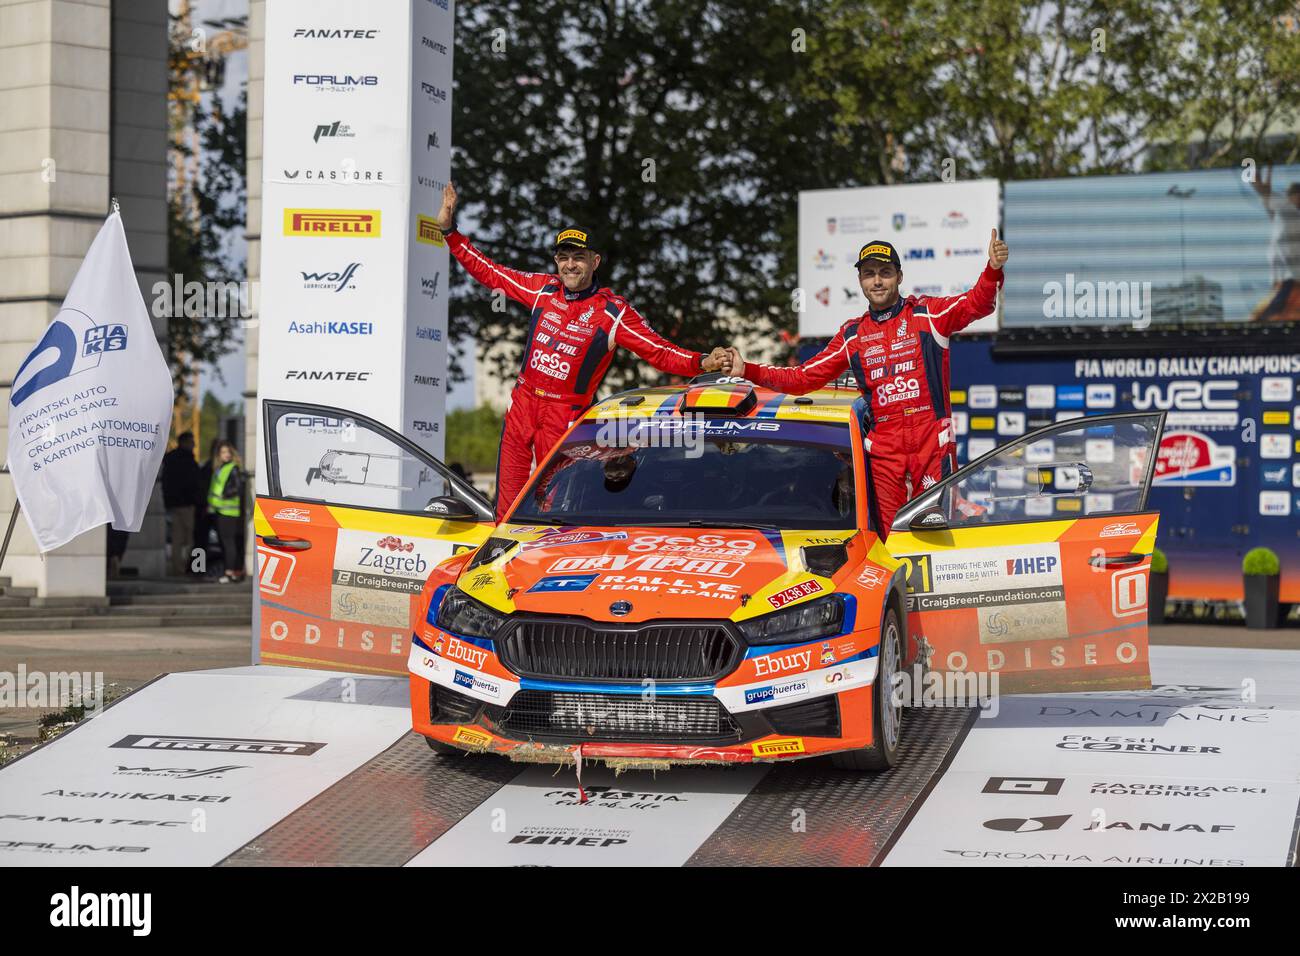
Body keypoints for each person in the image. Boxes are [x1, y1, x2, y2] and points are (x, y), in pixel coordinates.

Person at [434, 182, 727, 521]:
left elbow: (657, 351)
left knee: (552, 505)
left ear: (594, 261)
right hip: (523, 403)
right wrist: (449, 231)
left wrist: (701, 361)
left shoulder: (612, 312)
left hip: (566, 413)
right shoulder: (543, 289)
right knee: (508, 506)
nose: (570, 265)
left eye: (578, 257)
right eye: (563, 257)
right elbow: (491, 273)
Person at [722, 229, 1009, 535]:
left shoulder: (928, 315)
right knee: (889, 539)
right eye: (869, 274)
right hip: (884, 451)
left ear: (899, 276)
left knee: (937, 534)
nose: (877, 281)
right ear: (860, 281)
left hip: (931, 444)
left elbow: (977, 304)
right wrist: (747, 369)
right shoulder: (853, 335)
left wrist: (992, 270)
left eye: (885, 273)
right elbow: (803, 378)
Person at [1250, 166, 1300, 322]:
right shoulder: (1286, 216)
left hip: (1292, 283)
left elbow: (1274, 203)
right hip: (1284, 284)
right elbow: (1273, 211)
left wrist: (1262, 190)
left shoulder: (1290, 211)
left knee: (1260, 320)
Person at [160, 431, 201, 576]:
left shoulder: (170, 459)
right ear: (184, 442)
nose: (194, 445)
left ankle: (178, 568)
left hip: (174, 503)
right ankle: (189, 567)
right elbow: (193, 482)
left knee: (177, 538)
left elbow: (166, 482)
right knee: (189, 537)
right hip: (187, 504)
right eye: (192, 442)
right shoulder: (188, 460)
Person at [207, 441, 245, 583]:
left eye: (228, 452)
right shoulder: (220, 468)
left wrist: (224, 495)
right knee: (224, 542)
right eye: (223, 452)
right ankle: (228, 571)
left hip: (228, 512)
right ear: (219, 455)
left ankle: (229, 572)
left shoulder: (232, 468)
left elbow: (237, 488)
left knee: (228, 542)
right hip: (219, 510)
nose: (227, 455)